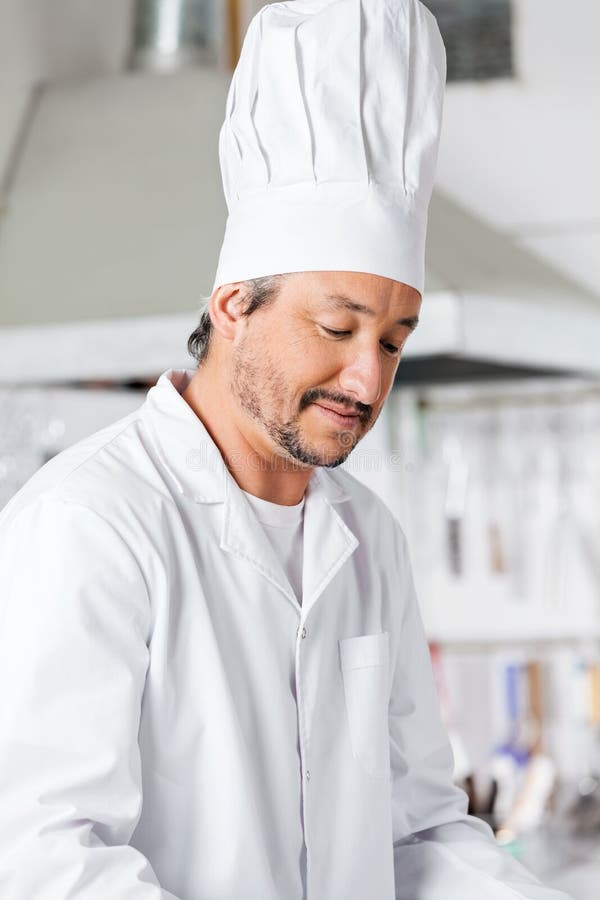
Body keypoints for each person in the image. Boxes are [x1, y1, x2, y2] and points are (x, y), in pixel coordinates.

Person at [0, 1, 572, 898]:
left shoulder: (367, 538)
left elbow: (419, 831)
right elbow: (43, 857)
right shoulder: (90, 525)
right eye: (337, 326)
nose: (367, 379)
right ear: (234, 306)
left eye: (392, 339)